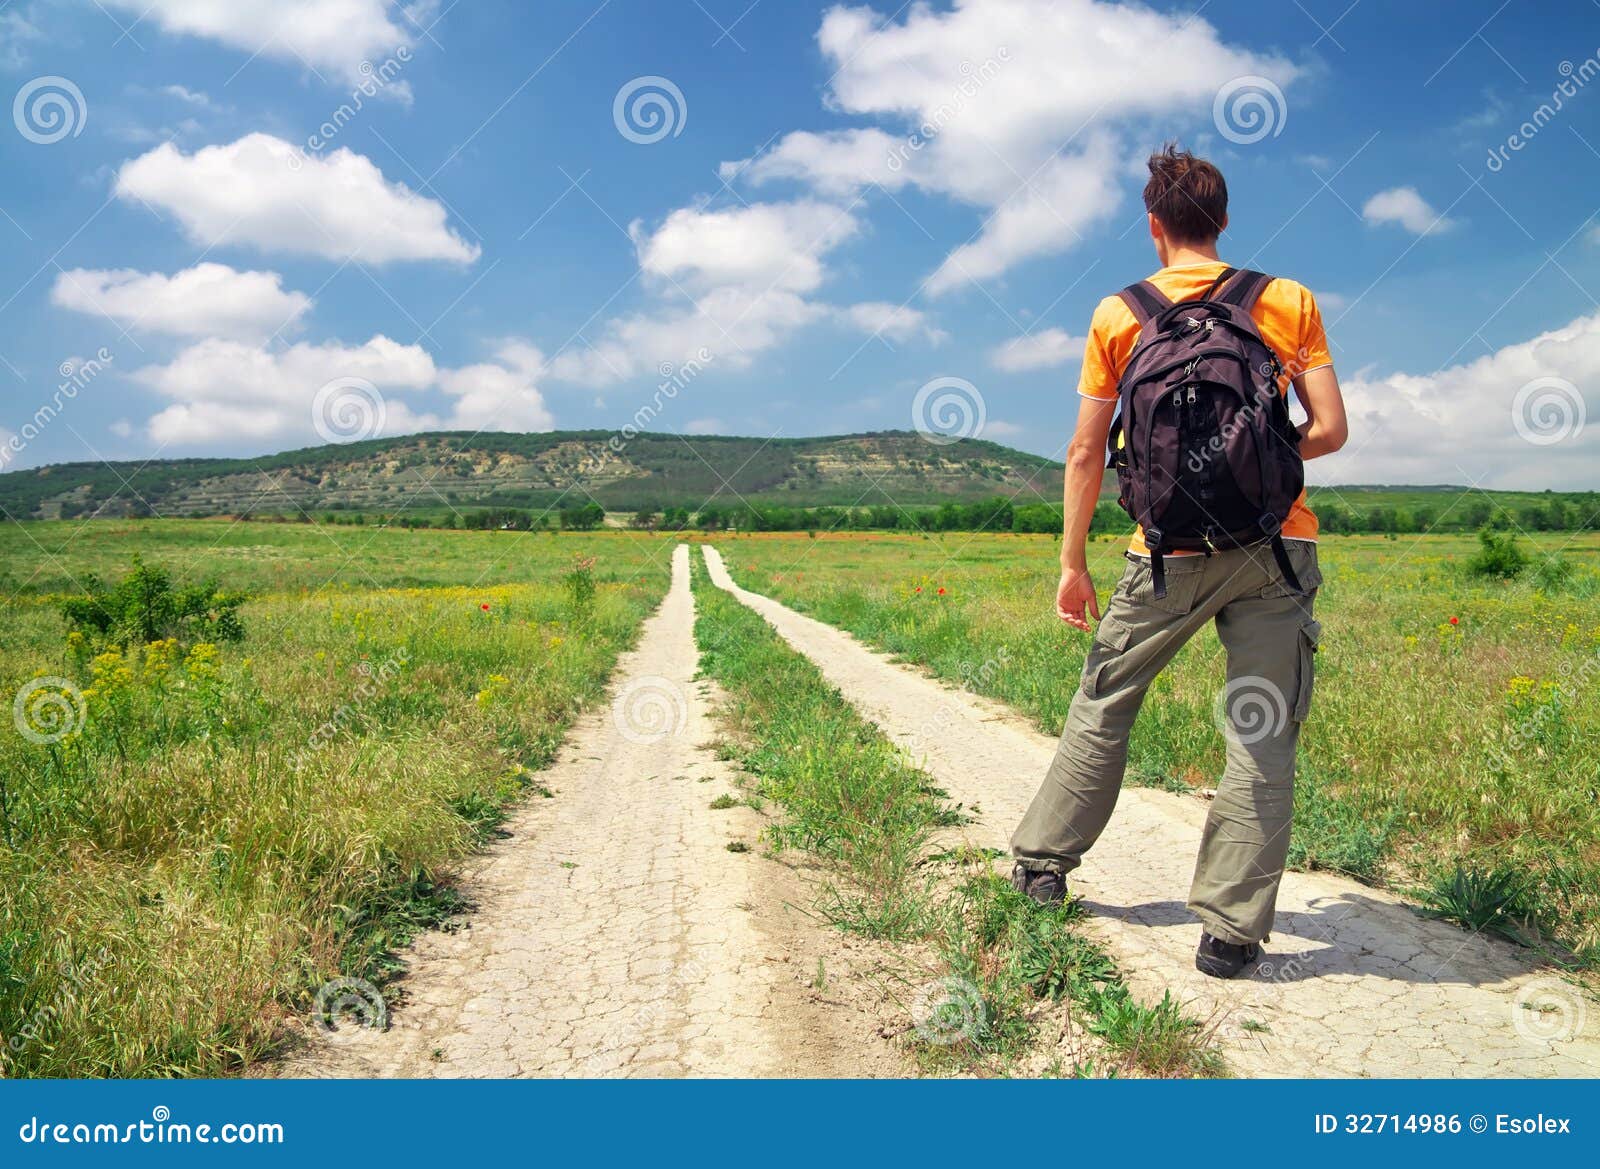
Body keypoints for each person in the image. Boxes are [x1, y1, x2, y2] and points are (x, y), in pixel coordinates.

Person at [1008, 144, 1349, 979]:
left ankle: (1043, 866)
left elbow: (1087, 452)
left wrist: (1071, 562)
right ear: (1224, 220)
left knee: (1104, 701)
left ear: (1155, 226)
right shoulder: (1287, 299)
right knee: (1260, 730)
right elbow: (1333, 429)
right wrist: (1262, 460)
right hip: (1277, 542)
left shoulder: (1117, 314)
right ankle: (1231, 934)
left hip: (1161, 551)